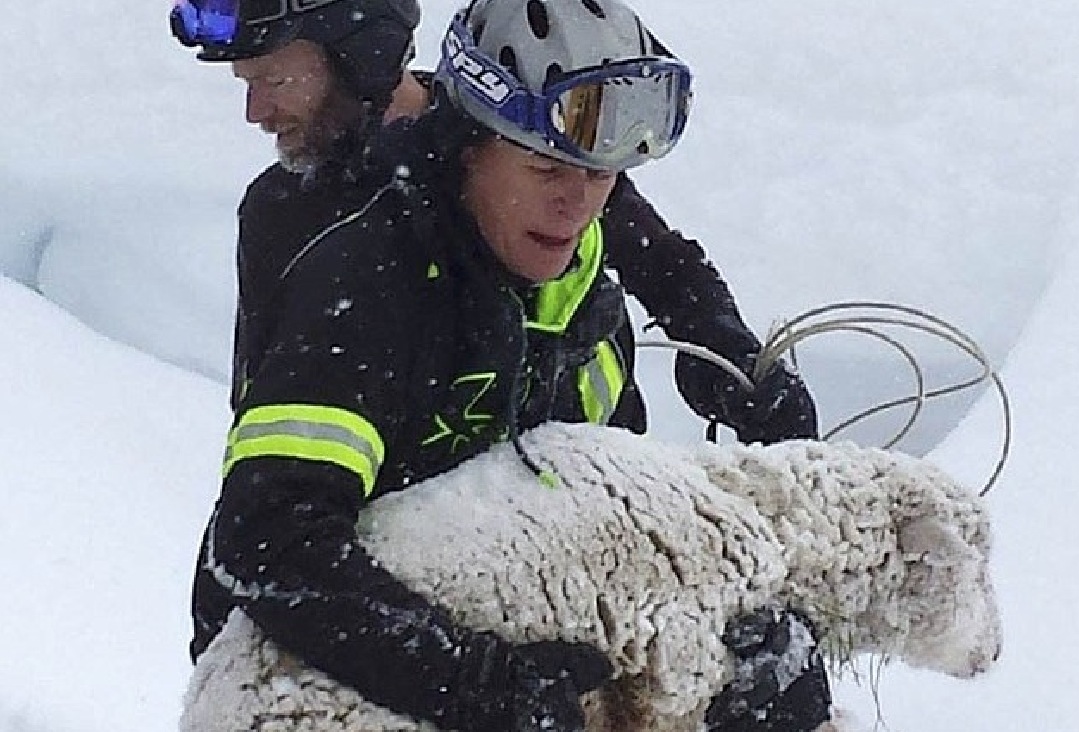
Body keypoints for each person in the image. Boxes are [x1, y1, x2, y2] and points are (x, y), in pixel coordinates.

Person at [177, 0, 833, 729]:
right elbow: (271, 531)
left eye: (600, 173)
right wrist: (483, 687)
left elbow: (647, 244)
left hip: (547, 575)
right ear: (466, 149)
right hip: (364, 643)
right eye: (546, 166)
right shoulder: (350, 266)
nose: (575, 203)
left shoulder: (539, 190)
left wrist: (724, 345)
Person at [170, 0, 819, 446]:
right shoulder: (290, 218)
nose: (255, 111)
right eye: (246, 83)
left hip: (608, 507)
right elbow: (273, 445)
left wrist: (726, 344)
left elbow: (651, 250)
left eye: (273, 78)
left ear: (356, 50)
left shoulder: (501, 141)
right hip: (444, 574)